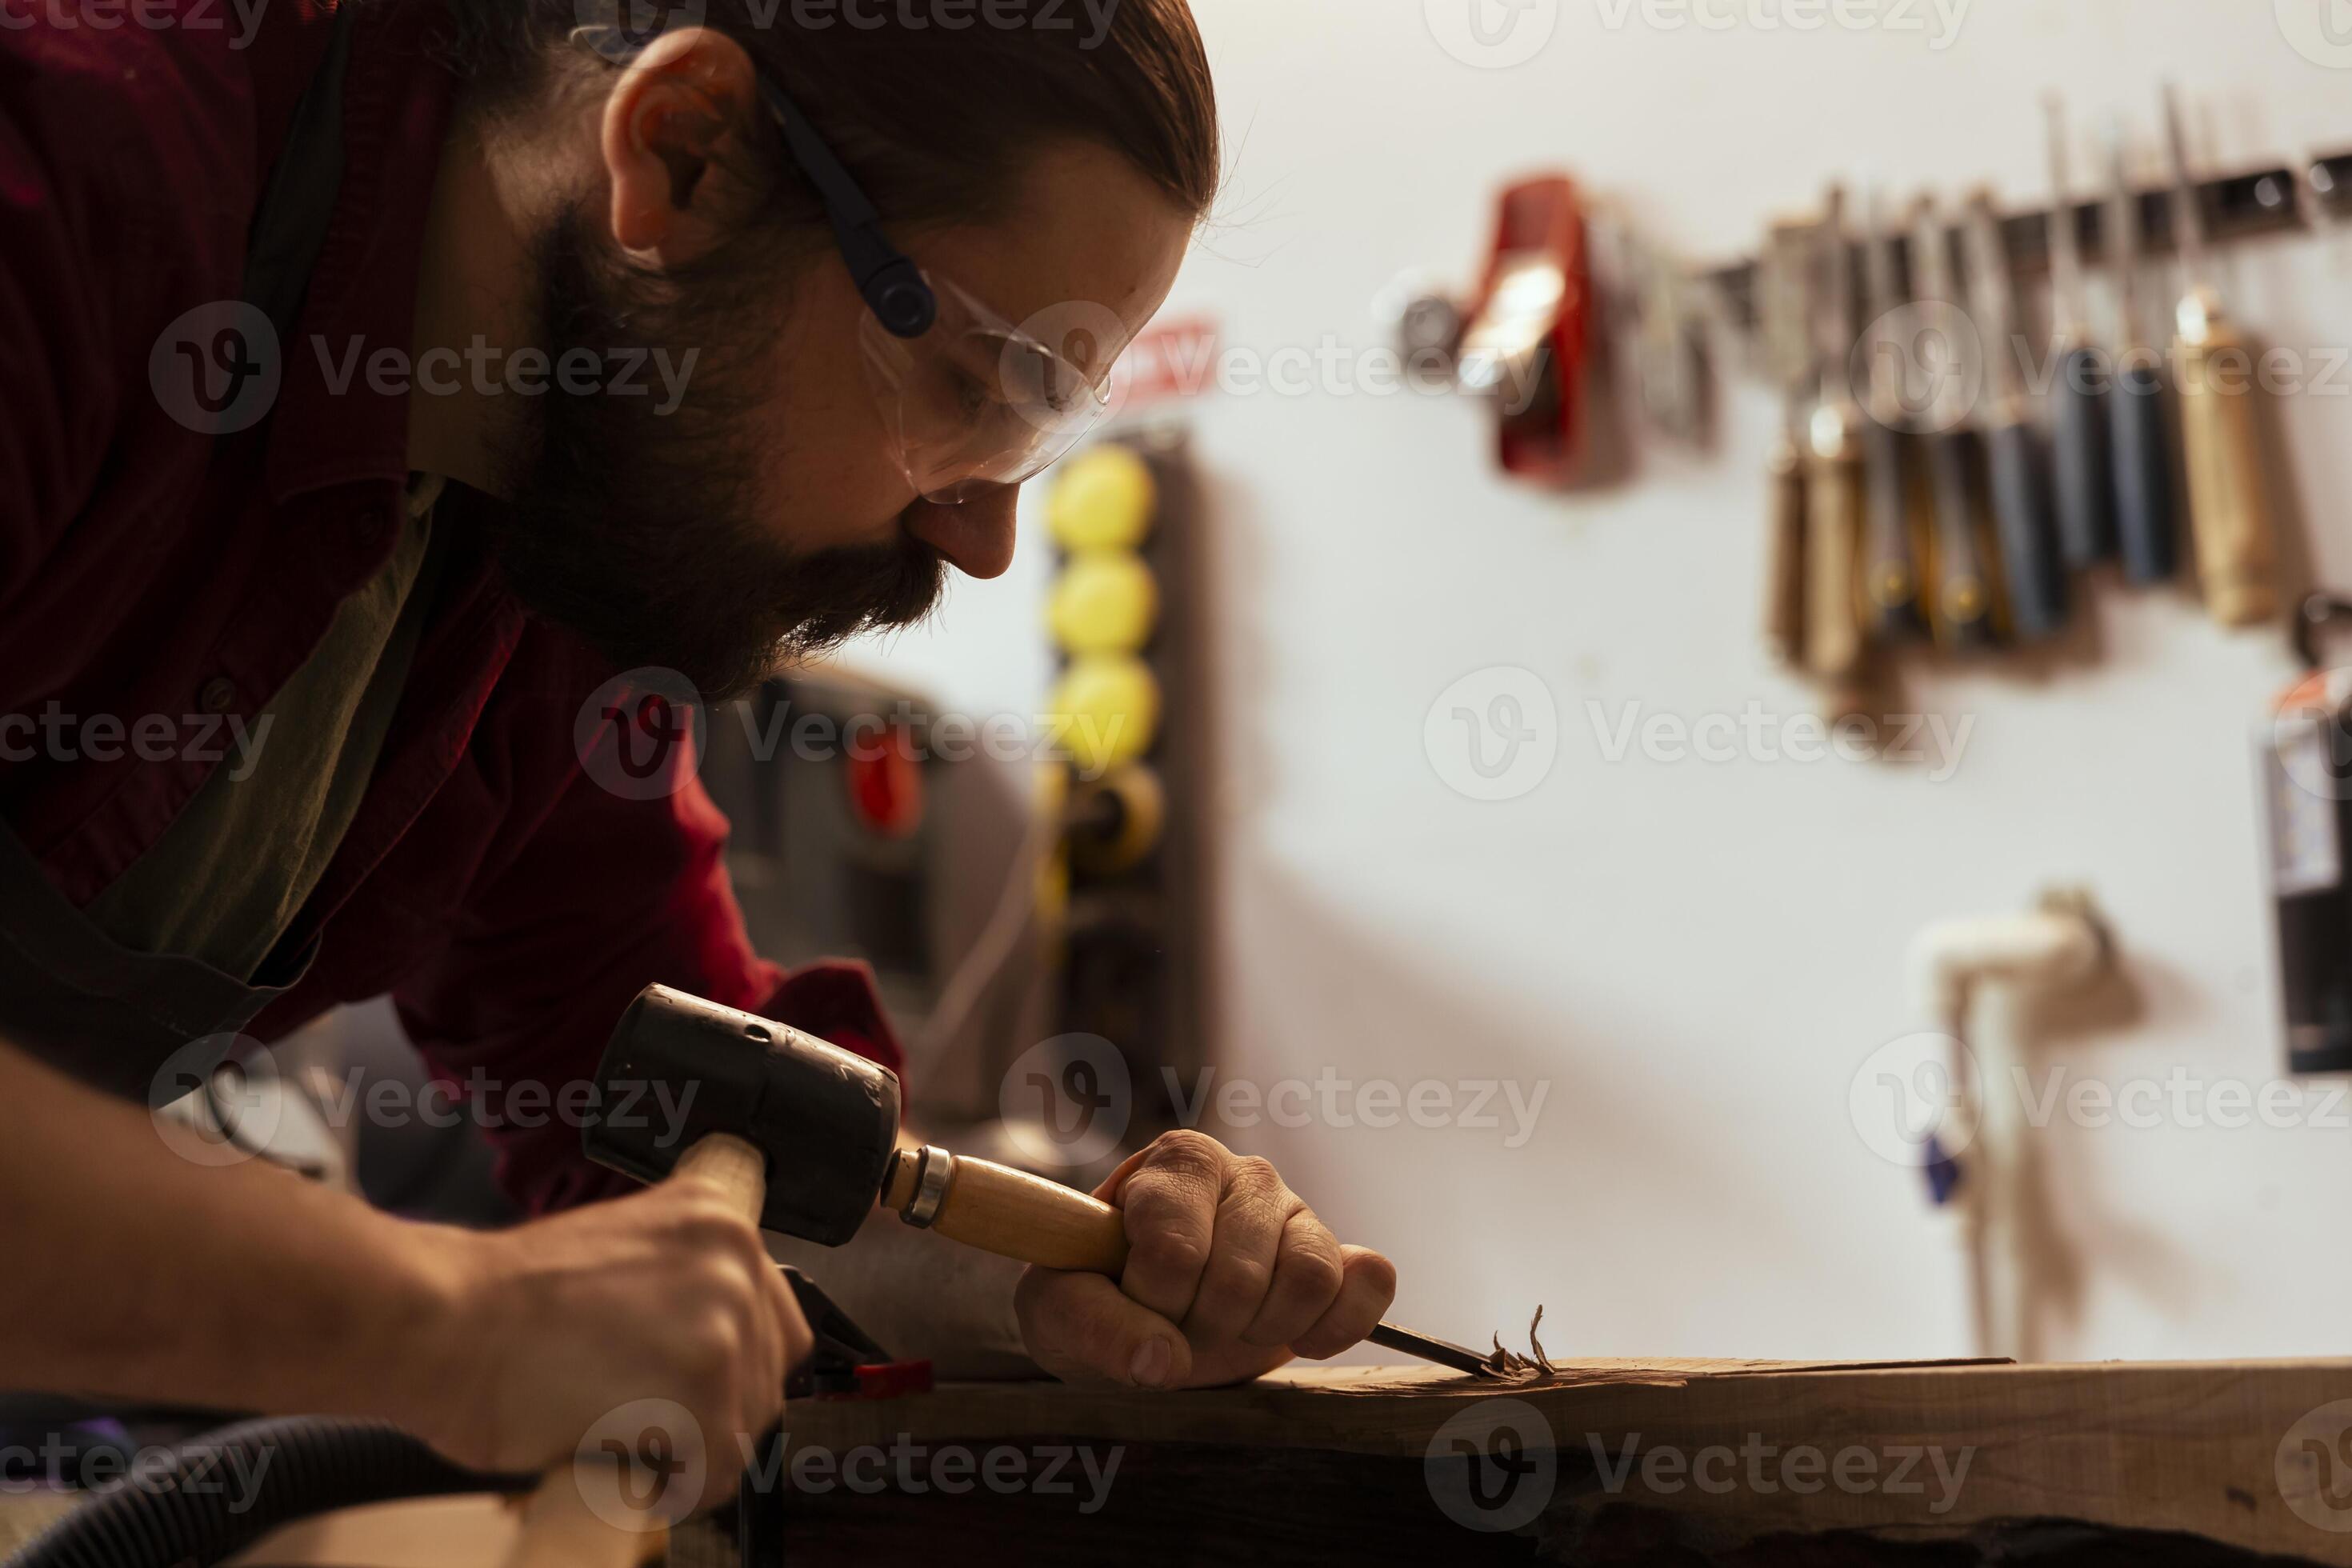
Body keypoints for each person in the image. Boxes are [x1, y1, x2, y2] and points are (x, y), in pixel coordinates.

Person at [0, 0, 1396, 1510]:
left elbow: (687, 1128)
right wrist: (442, 1324)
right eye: (972, 388)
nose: (986, 537)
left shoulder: (559, 549)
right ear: (685, 150)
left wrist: (1046, 1291)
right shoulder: (69, 188)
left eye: (1033, 436)